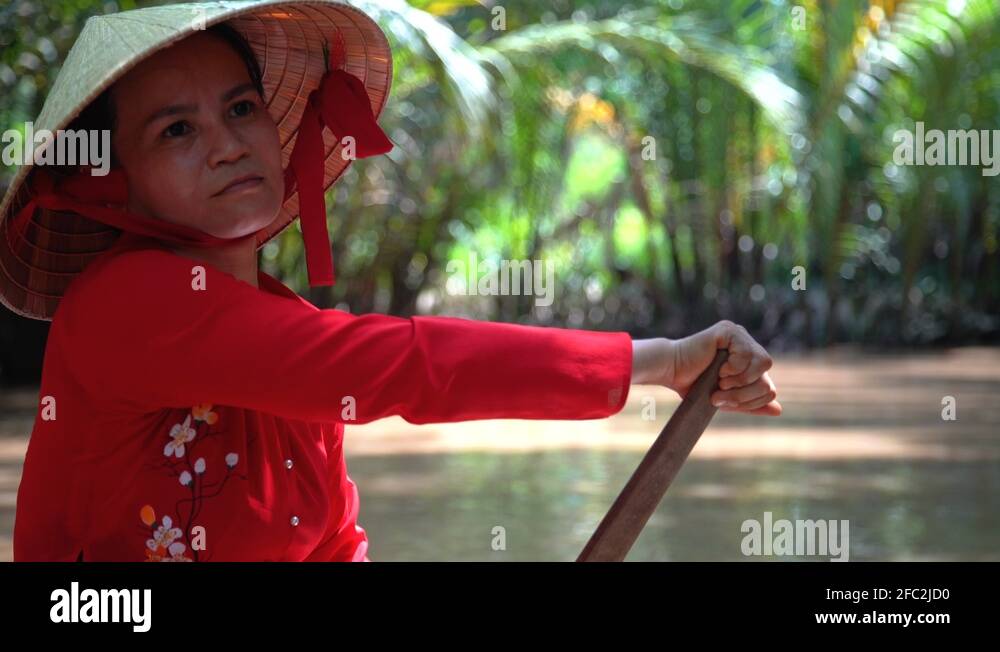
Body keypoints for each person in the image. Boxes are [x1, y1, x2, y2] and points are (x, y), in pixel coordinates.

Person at [2, 1, 780, 562]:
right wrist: (656, 361)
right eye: (177, 130)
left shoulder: (286, 332)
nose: (226, 145)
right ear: (117, 183)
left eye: (241, 109)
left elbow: (335, 544)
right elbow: (401, 365)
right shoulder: (122, 305)